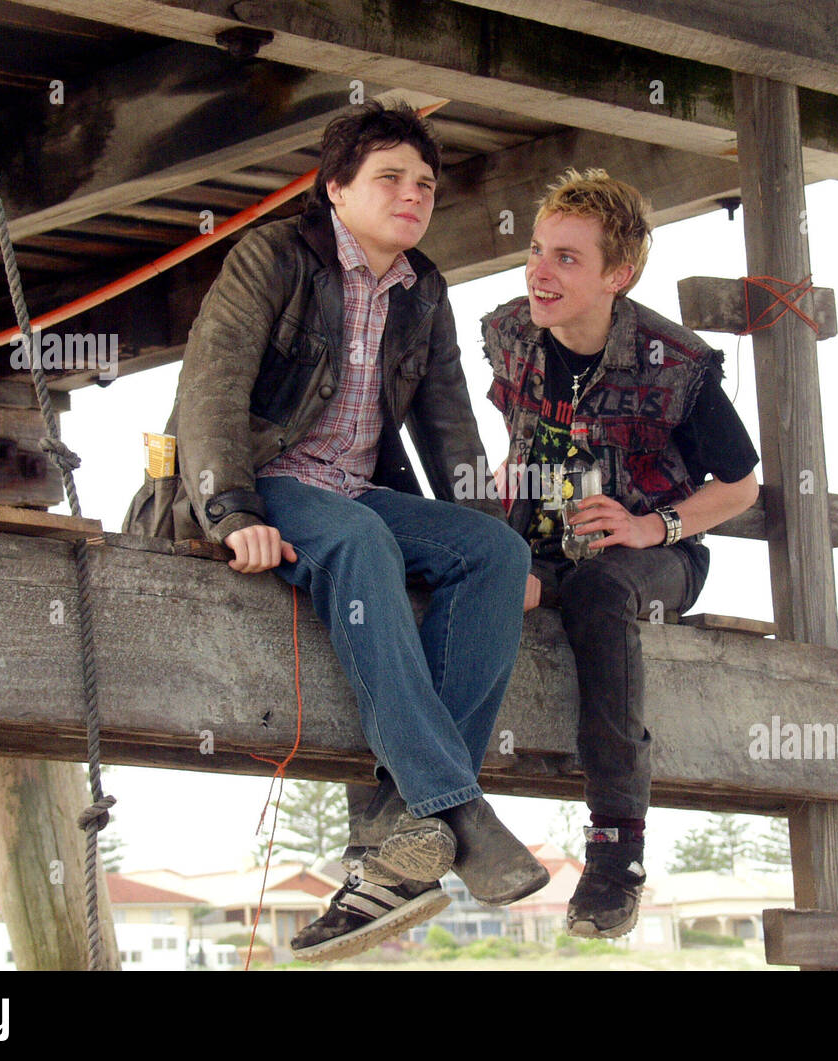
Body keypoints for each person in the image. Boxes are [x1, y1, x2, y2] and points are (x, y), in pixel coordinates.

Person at [127, 102, 546, 962]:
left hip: (354, 490)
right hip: (262, 478)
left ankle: (403, 838)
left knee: (493, 552)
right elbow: (211, 390)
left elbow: (453, 433)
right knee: (361, 542)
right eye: (389, 177)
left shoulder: (422, 290)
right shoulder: (274, 257)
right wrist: (231, 510)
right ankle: (458, 810)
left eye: (425, 183)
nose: (412, 195)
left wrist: (507, 540)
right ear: (336, 189)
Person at [480, 168, 761, 938]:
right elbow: (514, 437)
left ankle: (616, 853)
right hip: (545, 549)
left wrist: (651, 526)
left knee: (600, 593)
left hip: (655, 559)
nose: (541, 271)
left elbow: (740, 486)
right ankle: (431, 816)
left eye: (568, 259)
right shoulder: (507, 335)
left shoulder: (676, 364)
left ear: (618, 275)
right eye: (537, 251)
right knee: (467, 581)